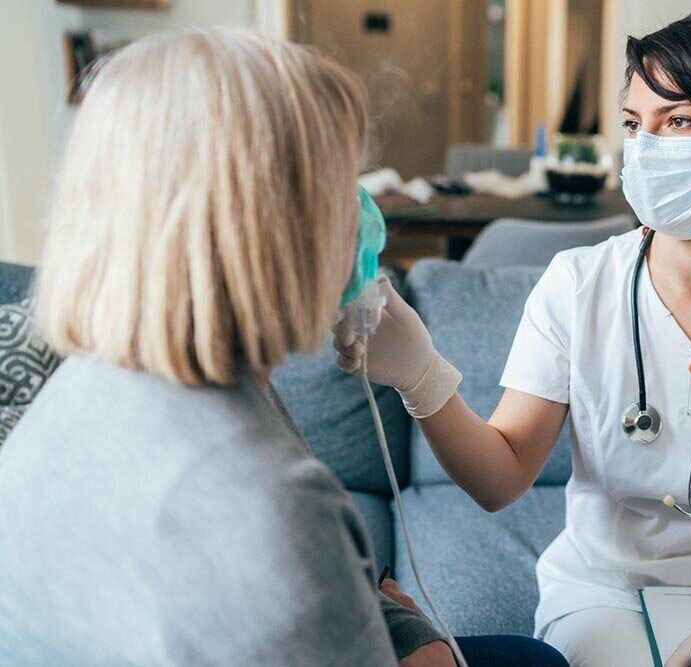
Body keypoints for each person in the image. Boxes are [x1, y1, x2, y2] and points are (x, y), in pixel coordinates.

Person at [335, 7, 691, 666]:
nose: (647, 147)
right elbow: (501, 477)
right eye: (635, 124)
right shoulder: (578, 284)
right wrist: (421, 376)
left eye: (678, 121)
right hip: (606, 587)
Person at [0, 29, 567, 667]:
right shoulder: (271, 508)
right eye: (339, 186)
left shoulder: (95, 381)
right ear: (272, 227)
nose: (361, 214)